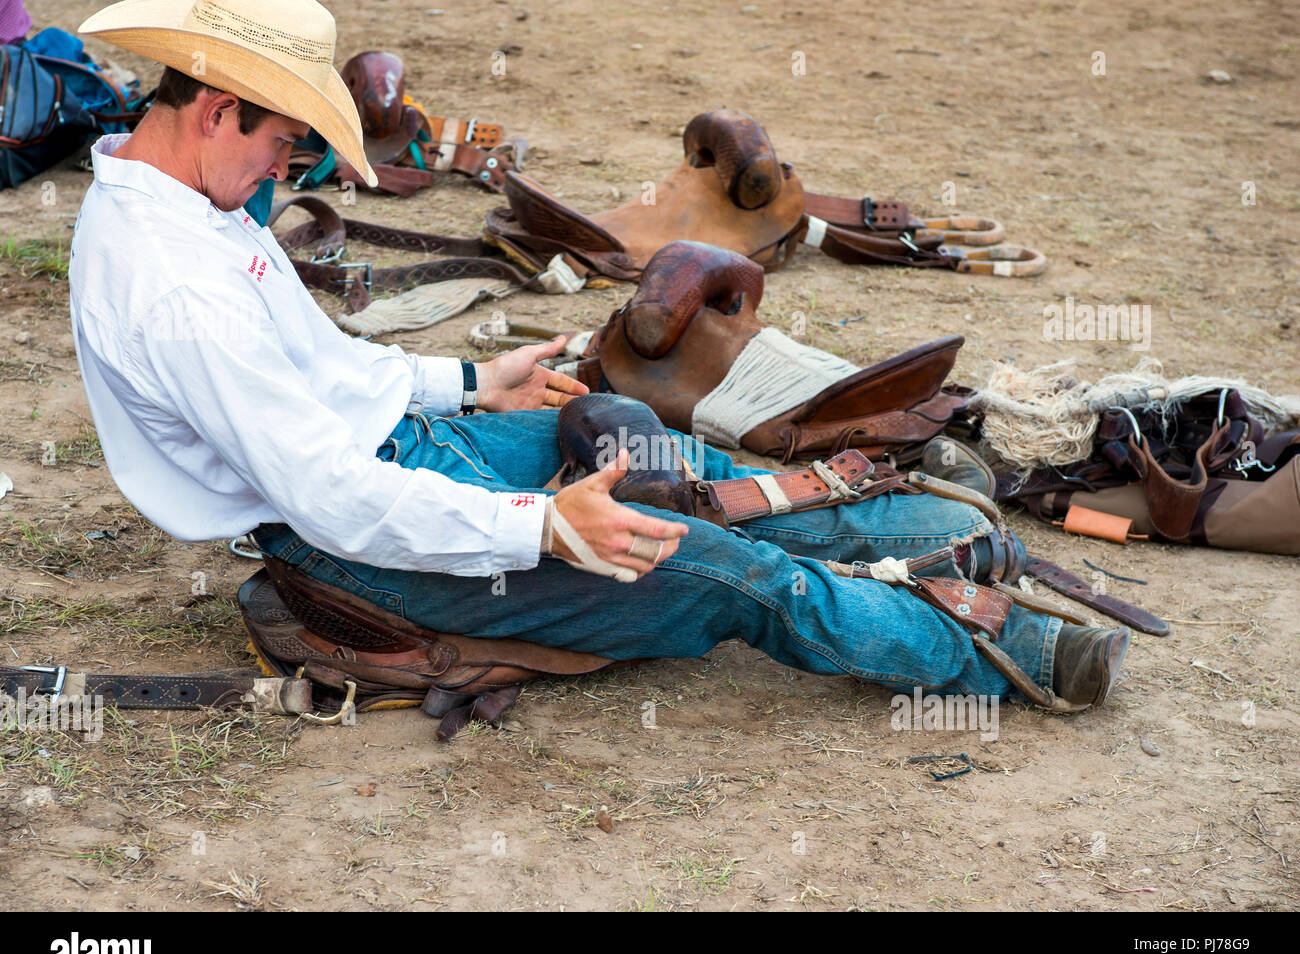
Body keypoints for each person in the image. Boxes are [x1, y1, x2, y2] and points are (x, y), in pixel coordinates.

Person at [69, 0, 1129, 715]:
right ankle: (984, 654)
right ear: (216, 110)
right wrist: (540, 524)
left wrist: (475, 383)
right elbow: (331, 494)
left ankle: (923, 538)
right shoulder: (170, 284)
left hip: (411, 454)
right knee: (726, 572)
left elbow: (314, 365)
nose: (287, 169)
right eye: (285, 146)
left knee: (686, 473)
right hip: (354, 532)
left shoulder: (193, 206)